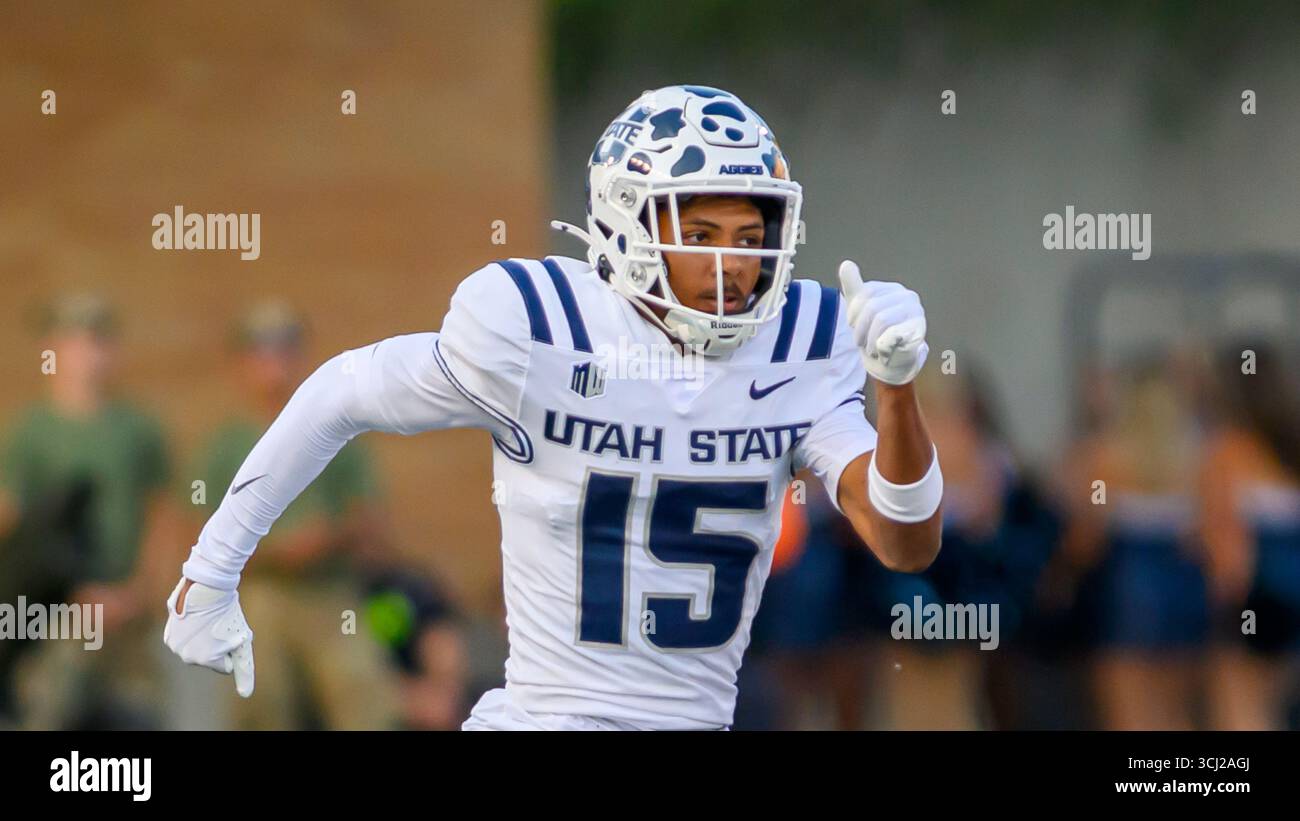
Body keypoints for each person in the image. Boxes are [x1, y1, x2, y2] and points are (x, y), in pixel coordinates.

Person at [162, 85, 944, 731]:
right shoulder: (540, 329)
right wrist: (211, 571)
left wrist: (897, 388)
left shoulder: (801, 343)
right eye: (700, 232)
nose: (731, 263)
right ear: (628, 226)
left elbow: (906, 542)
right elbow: (340, 393)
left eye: (748, 234)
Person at [186, 301, 398, 729]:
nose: (273, 365)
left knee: (361, 692)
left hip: (328, 590)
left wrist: (329, 537)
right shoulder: (227, 444)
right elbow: (200, 534)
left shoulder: (335, 429)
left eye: (284, 351)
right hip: (257, 594)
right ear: (241, 364)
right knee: (259, 696)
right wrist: (273, 552)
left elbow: (369, 520)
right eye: (260, 352)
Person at [0, 293, 178, 729]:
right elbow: (12, 524)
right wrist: (75, 596)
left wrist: (142, 593)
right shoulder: (30, 433)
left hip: (130, 612)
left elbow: (165, 516)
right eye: (72, 342)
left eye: (96, 341)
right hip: (57, 615)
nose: (85, 355)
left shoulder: (137, 428)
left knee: (137, 717)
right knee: (50, 713)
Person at [1199, 341, 1300, 729]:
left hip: (1253, 601)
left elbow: (1228, 553)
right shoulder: (1288, 450)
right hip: (1290, 601)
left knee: (1243, 713)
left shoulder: (1228, 451)